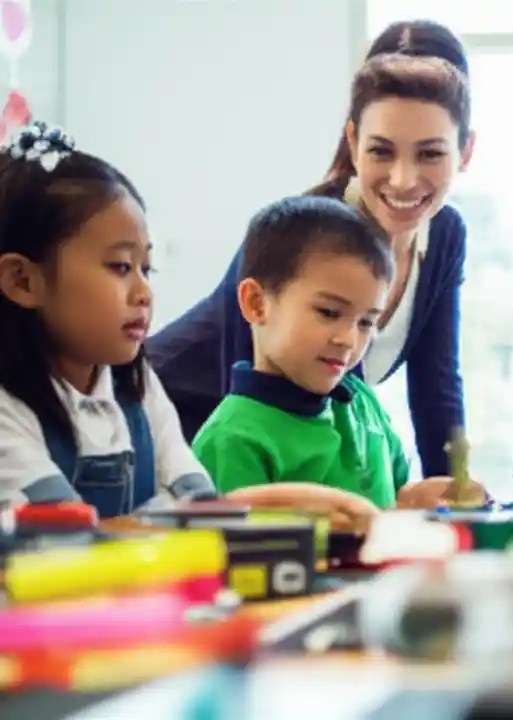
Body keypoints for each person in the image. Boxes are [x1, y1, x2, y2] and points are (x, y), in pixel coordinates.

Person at [0, 121, 373, 527]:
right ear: (23, 280)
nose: (144, 293)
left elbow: (196, 502)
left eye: (147, 268)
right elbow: (70, 539)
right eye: (121, 267)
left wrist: (290, 502)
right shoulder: (8, 412)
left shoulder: (137, 384)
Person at [148, 20, 475, 479]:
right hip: (179, 419)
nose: (403, 179)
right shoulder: (306, 229)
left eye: (431, 153)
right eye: (383, 150)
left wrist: (458, 497)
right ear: (355, 141)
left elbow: (436, 386)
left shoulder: (445, 234)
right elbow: (246, 401)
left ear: (464, 149)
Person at [192, 196, 481, 510]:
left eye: (367, 322)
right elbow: (242, 549)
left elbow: (392, 501)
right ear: (257, 303)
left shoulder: (363, 403)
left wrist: (415, 500)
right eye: (329, 312)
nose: (348, 339)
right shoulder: (231, 440)